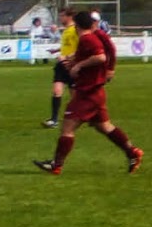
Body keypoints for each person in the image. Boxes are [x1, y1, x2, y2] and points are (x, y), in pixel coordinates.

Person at [34, 11, 143, 175]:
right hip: (95, 92)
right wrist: (72, 59)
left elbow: (100, 57)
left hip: (88, 93)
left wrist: (79, 66)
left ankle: (56, 164)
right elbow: (100, 53)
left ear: (76, 25)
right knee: (105, 127)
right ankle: (132, 152)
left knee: (67, 128)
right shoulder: (91, 37)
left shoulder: (87, 38)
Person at [45, 7, 77, 128]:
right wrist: (57, 50)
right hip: (61, 65)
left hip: (72, 65)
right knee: (56, 91)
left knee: (75, 96)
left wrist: (68, 57)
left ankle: (78, 117)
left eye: (62, 15)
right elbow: (67, 45)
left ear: (69, 17)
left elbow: (80, 47)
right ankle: (54, 120)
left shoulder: (75, 30)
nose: (60, 18)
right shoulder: (66, 30)